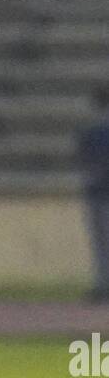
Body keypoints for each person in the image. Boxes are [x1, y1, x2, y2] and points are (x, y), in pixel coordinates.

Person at [78, 86, 109, 304]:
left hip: (98, 193)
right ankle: (102, 285)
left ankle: (102, 285)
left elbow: (86, 163)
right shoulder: (91, 132)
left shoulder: (91, 132)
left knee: (101, 243)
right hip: (98, 193)